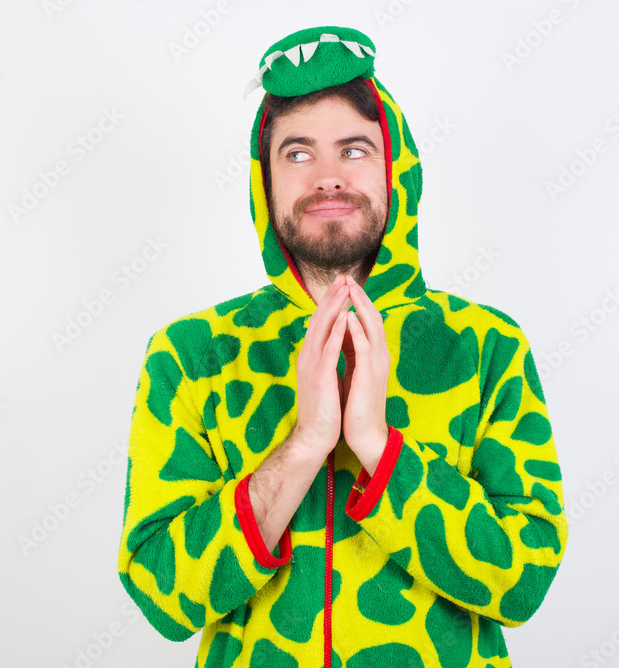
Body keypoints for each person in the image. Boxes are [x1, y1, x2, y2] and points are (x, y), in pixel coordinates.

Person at [117, 24, 568, 668]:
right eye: (297, 154)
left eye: (353, 149)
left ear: (396, 167)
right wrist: (304, 445)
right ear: (263, 181)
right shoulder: (192, 356)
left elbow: (523, 582)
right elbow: (163, 595)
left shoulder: (485, 346)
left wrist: (379, 448)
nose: (327, 177)